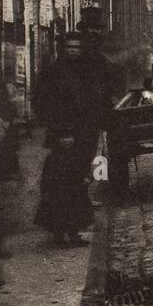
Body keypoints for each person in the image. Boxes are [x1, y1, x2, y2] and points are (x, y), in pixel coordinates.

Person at [32, 32, 102, 246]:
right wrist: (61, 132)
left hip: (83, 135)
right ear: (62, 49)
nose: (73, 50)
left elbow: (93, 102)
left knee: (78, 183)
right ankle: (58, 232)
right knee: (59, 185)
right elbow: (44, 105)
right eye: (69, 47)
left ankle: (73, 230)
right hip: (63, 137)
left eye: (77, 47)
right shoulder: (52, 74)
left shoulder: (87, 73)